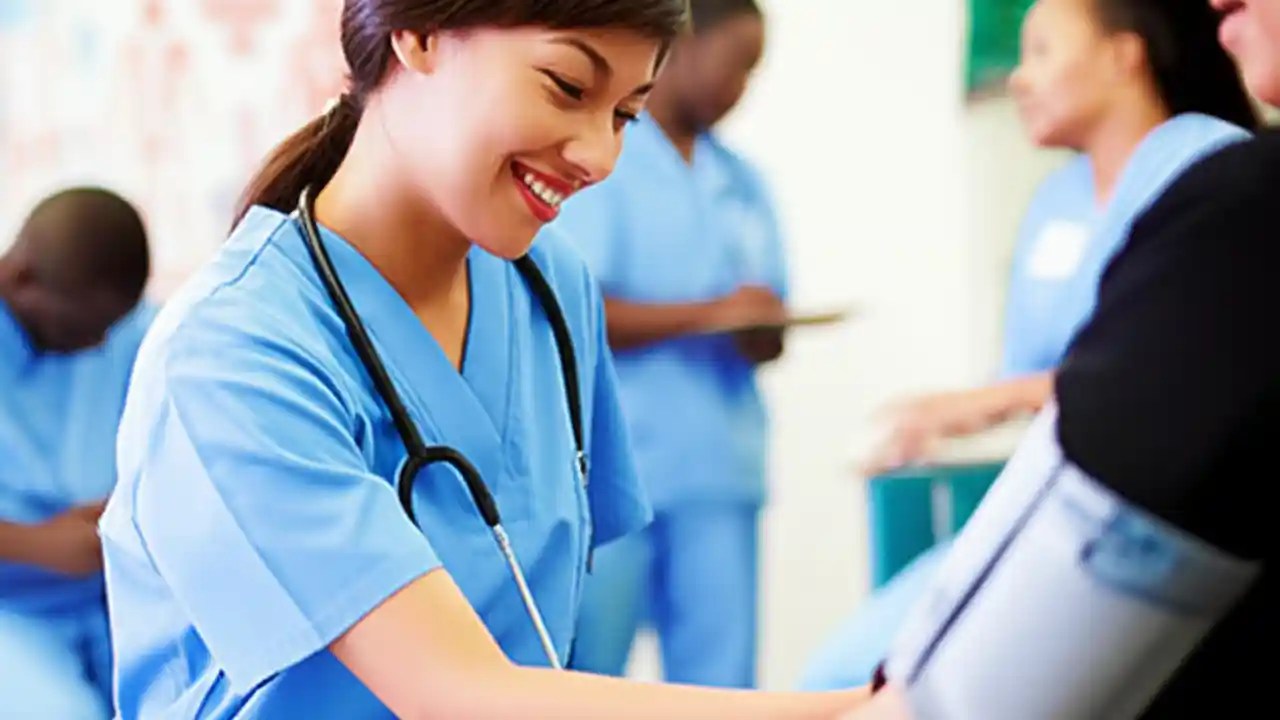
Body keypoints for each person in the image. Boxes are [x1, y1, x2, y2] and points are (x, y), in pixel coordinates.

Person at [98, 2, 868, 718]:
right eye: (568, 86)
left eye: (627, 113)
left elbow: (544, 655)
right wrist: (864, 709)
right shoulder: (234, 353)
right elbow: (462, 696)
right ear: (420, 32)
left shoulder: (552, 290)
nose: (601, 155)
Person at [800, 0, 1259, 691]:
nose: (1019, 78)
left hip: (1142, 530)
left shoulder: (1209, 169)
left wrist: (976, 404)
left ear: (1121, 55)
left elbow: (1167, 378)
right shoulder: (1056, 203)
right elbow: (1029, 380)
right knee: (842, 672)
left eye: (1042, 51)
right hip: (1037, 504)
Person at [550, 0, 784, 688]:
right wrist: (711, 313)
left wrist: (762, 327)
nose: (742, 87)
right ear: (679, 49)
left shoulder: (743, 182)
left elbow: (766, 312)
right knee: (588, 677)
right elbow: (577, 310)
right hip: (618, 472)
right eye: (737, 65)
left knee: (721, 682)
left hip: (720, 467)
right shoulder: (602, 163)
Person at [0, 187, 154, 719]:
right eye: (76, 331)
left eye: (109, 330)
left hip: (116, 605)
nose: (96, 348)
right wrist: (31, 544)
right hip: (15, 610)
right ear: (21, 277)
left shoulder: (126, 329)